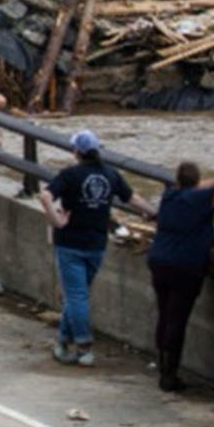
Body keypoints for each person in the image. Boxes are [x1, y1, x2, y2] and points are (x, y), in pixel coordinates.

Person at [38, 130, 134, 367]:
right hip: (96, 244)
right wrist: (153, 213)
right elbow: (132, 198)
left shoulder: (70, 175)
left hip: (70, 243)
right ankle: (62, 340)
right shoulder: (111, 174)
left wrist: (55, 220)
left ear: (77, 152)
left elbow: (45, 196)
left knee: (76, 296)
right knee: (77, 295)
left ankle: (83, 346)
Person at [146, 162, 214, 392]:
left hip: (159, 259)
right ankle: (170, 376)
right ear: (197, 180)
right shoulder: (201, 199)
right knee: (178, 318)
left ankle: (163, 366)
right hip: (186, 265)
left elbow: (196, 186)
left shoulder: (169, 194)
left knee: (165, 314)